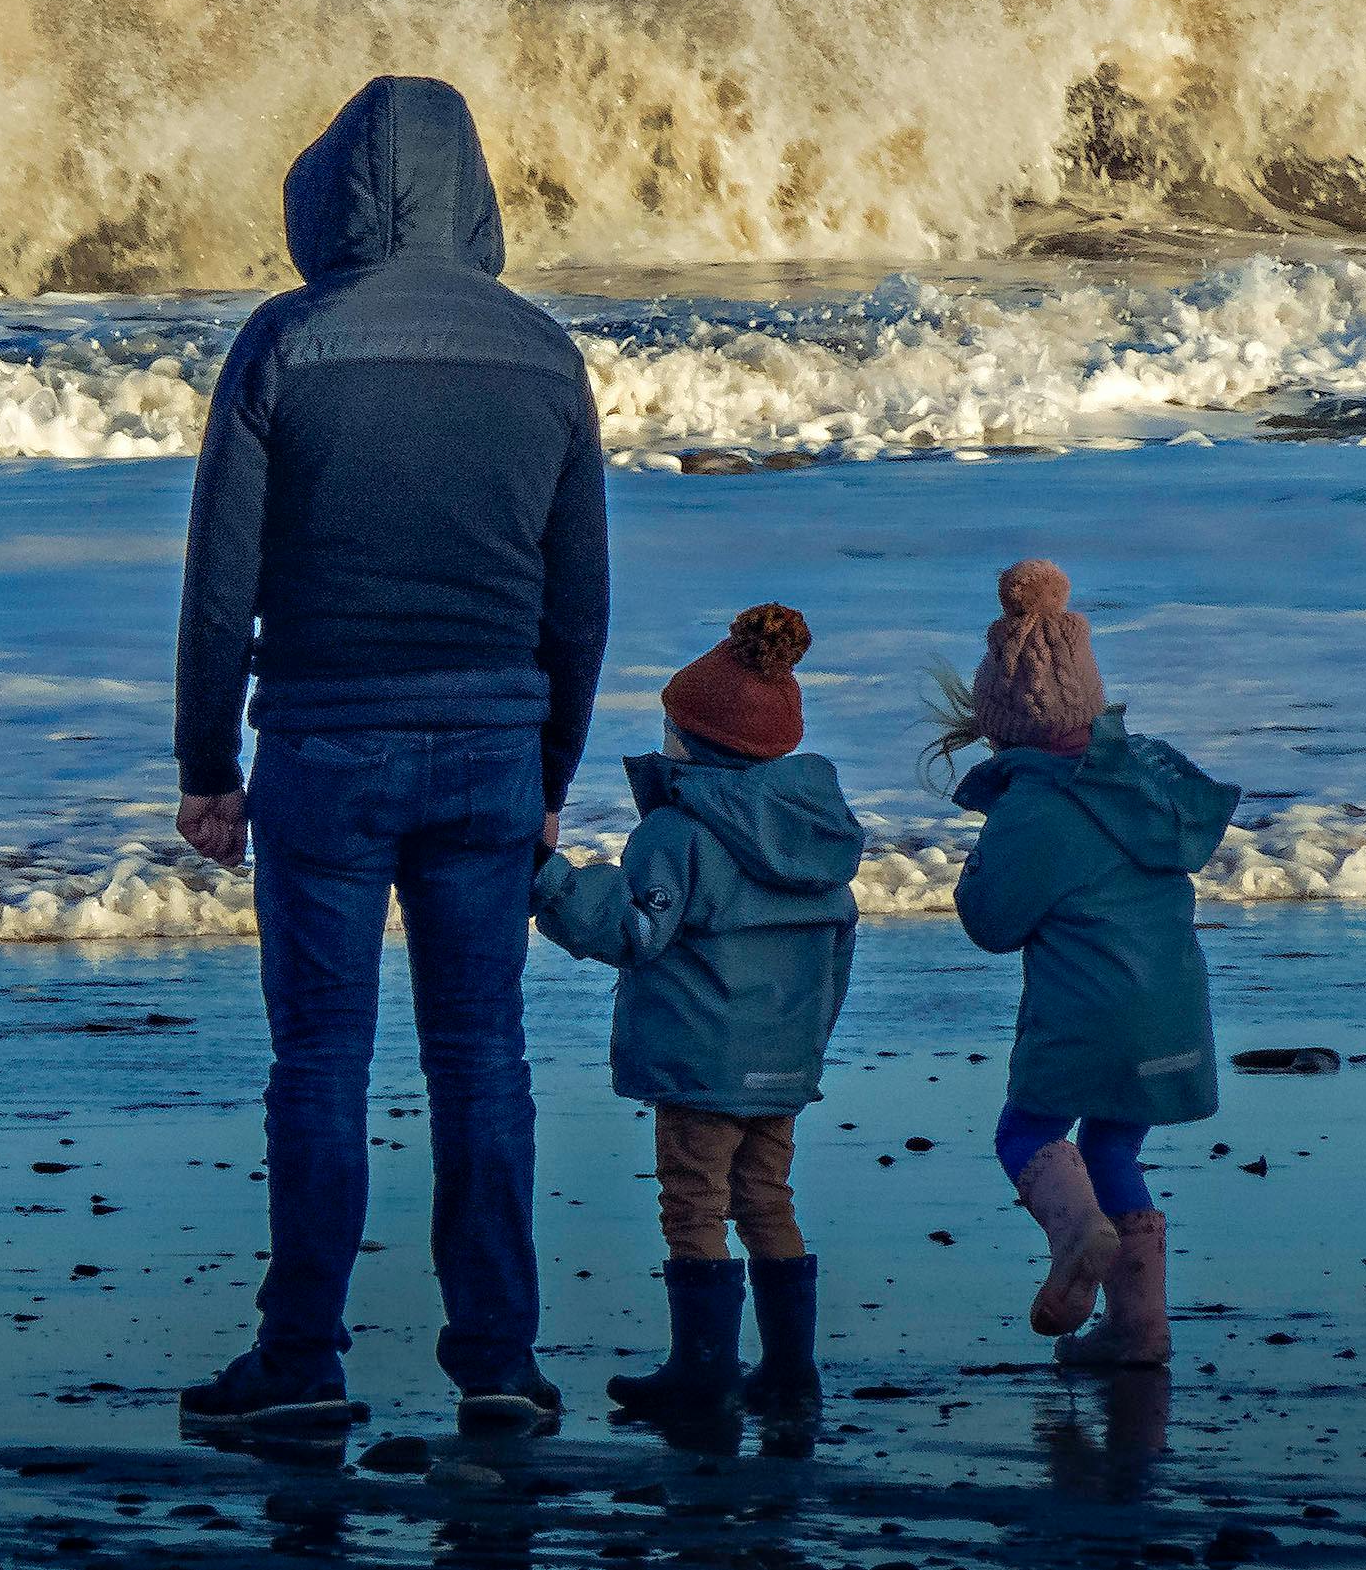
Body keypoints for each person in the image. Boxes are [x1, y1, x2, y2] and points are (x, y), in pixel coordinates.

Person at [171, 76, 610, 1434]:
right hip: (492, 755)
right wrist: (552, 776)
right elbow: (576, 600)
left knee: (320, 1062)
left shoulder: (286, 341)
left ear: (331, 194)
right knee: (484, 1057)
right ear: (472, 192)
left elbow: (218, 579)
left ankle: (302, 1358)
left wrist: (205, 763)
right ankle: (499, 1363)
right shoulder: (545, 355)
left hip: (323, 748)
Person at [531, 602, 858, 1420]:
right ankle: (790, 1369)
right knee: (768, 1197)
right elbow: (838, 955)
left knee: (694, 1200)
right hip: (784, 1063)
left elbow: (637, 928)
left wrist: (553, 882)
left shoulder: (679, 830)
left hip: (702, 1062)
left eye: (672, 726)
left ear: (697, 741)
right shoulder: (817, 835)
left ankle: (703, 1366)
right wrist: (807, 1045)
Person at [934, 560, 1240, 1371]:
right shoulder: (1143, 779)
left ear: (1001, 724)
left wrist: (975, 866)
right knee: (1113, 1150)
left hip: (1084, 1018)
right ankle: (1139, 1329)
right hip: (1172, 1007)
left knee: (1028, 1130)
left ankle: (1076, 1233)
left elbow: (992, 924)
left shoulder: (1033, 807)